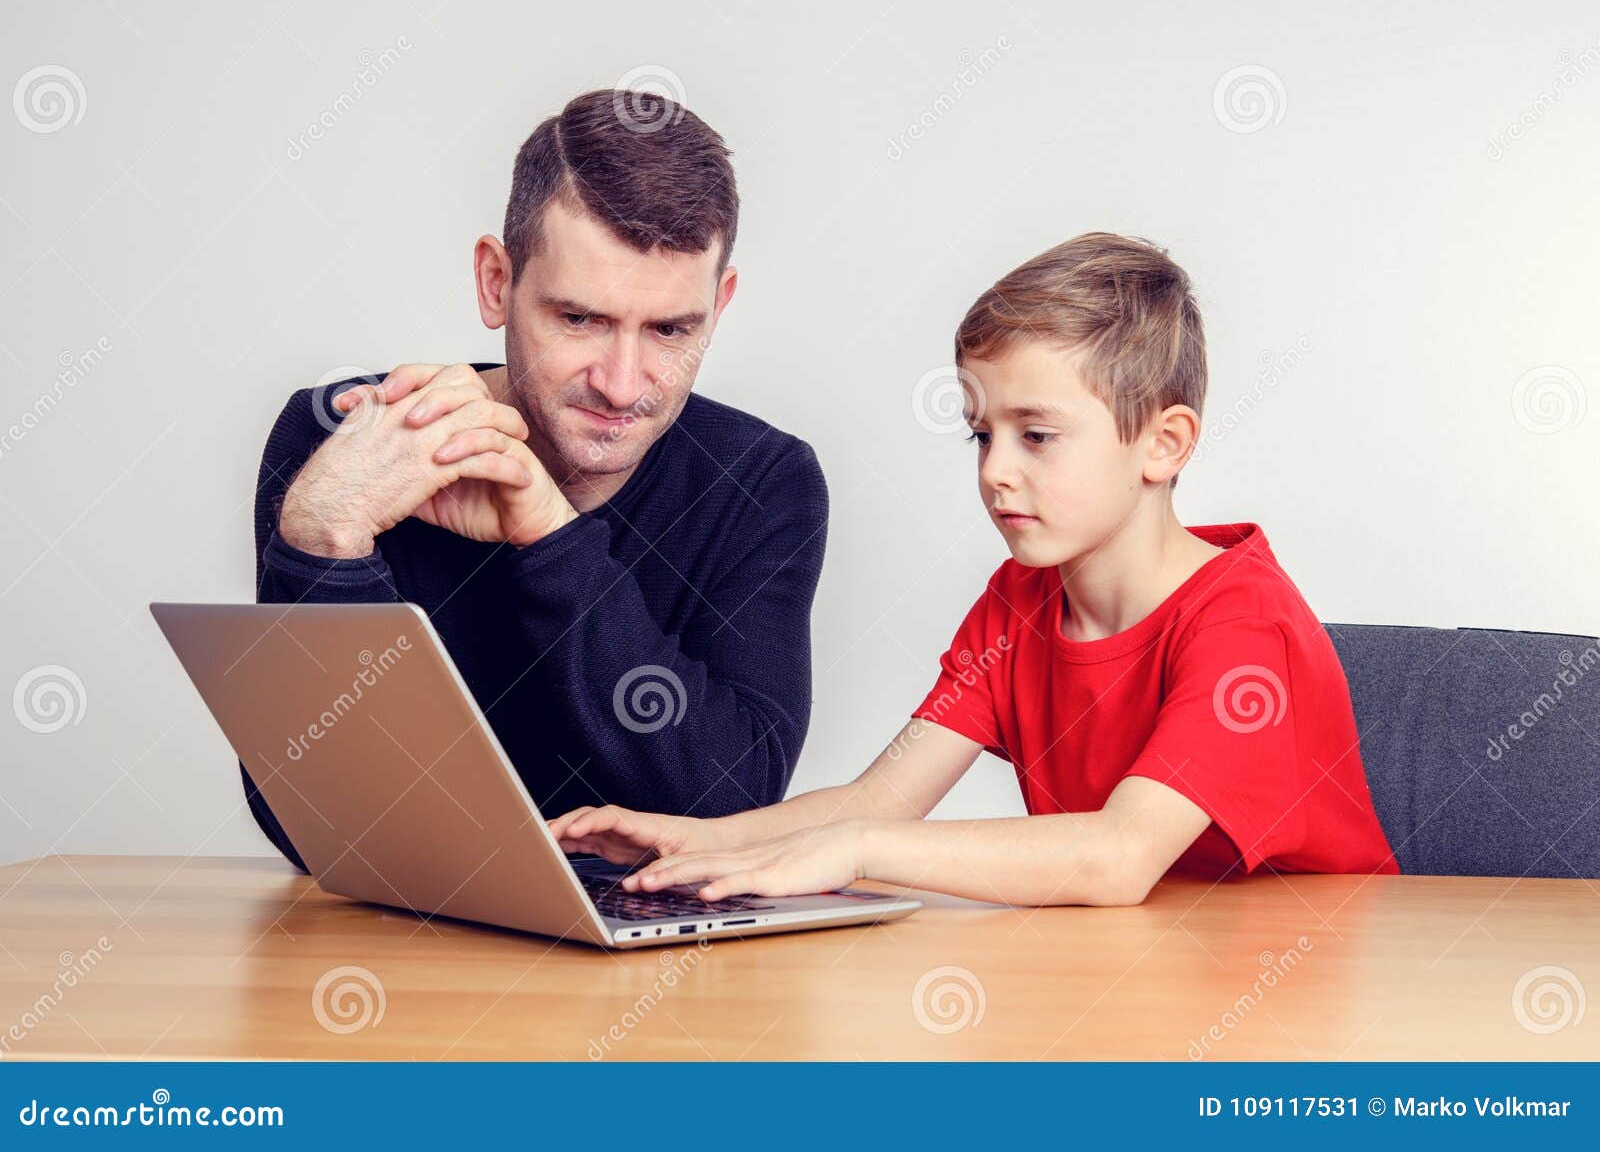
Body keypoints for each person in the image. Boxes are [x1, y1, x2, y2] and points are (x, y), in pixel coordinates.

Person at [551, 232, 1399, 906]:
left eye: (1036, 434)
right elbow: (879, 801)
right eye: (980, 432)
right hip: (1145, 979)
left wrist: (861, 852)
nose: (995, 469)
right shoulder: (1019, 601)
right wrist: (701, 840)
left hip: (1306, 1001)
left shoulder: (1247, 625)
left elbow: (1116, 857)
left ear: (1163, 443)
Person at [243, 90, 828, 873]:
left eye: (670, 329)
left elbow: (733, 806)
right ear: (496, 282)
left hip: (661, 973)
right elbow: (319, 814)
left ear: (718, 308)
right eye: (579, 319)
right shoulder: (350, 444)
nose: (623, 385)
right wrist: (323, 543)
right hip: (392, 950)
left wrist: (552, 536)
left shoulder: (762, 482)